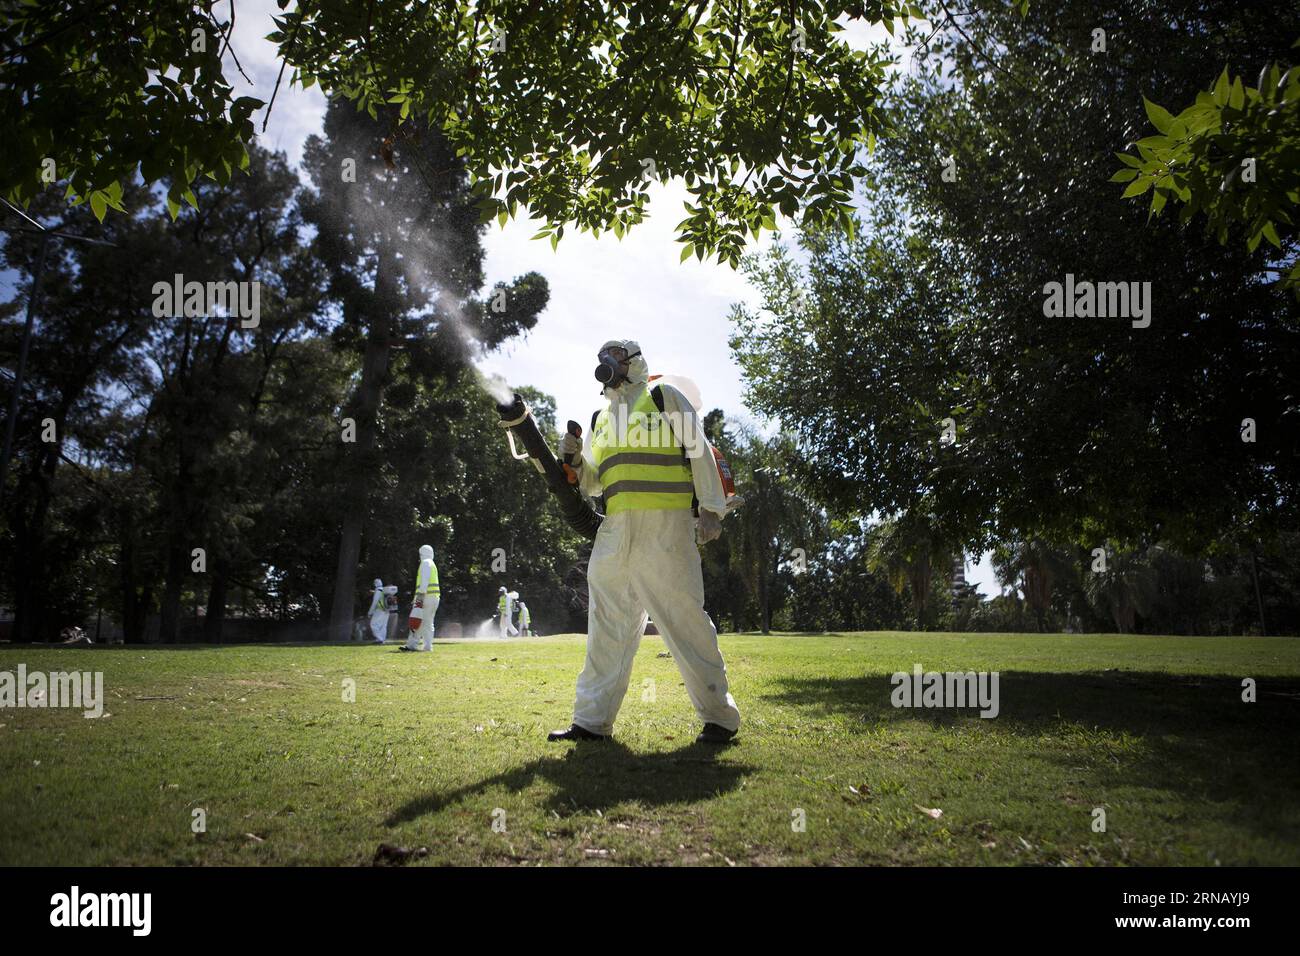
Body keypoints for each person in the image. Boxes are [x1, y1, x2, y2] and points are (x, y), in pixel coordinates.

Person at [548, 339, 741, 745]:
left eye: (617, 354)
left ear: (634, 361)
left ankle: (720, 718)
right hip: (615, 530)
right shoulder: (602, 417)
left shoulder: (662, 396)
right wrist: (576, 460)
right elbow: (595, 482)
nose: (608, 361)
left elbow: (698, 448)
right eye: (603, 355)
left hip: (665, 527)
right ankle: (591, 721)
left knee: (683, 619)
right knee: (606, 625)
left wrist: (711, 508)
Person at [402, 545, 439, 652]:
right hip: (434, 598)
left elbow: (424, 582)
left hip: (425, 597)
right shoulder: (432, 564)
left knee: (416, 620)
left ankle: (412, 645)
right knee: (428, 623)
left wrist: (419, 598)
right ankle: (428, 646)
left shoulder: (425, 563)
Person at [367, 578, 388, 643]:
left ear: (375, 584)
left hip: (380, 610)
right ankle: (382, 639)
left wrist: (370, 612)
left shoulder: (378, 591)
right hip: (386, 610)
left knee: (373, 624)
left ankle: (379, 639)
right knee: (383, 625)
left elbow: (375, 602)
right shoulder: (384, 590)